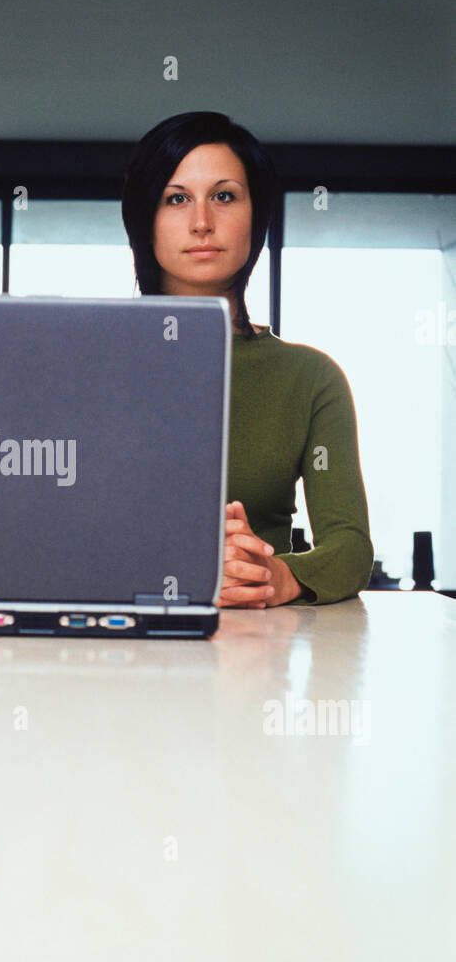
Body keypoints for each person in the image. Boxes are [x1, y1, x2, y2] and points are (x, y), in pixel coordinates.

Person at [121, 110, 373, 608]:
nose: (201, 222)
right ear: (143, 220)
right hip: (110, 640)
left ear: (256, 215)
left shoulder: (309, 377)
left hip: (256, 642)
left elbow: (351, 549)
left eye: (224, 196)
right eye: (176, 199)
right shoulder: (88, 363)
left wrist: (276, 573)